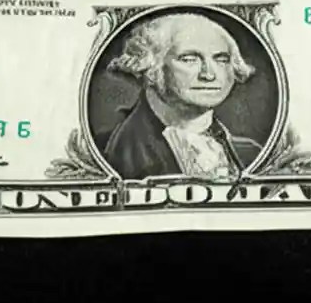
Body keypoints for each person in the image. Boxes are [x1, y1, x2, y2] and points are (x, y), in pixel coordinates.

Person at [98, 12, 263, 180]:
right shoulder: (115, 153)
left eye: (221, 60)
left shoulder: (251, 154)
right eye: (189, 59)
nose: (209, 75)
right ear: (152, 68)